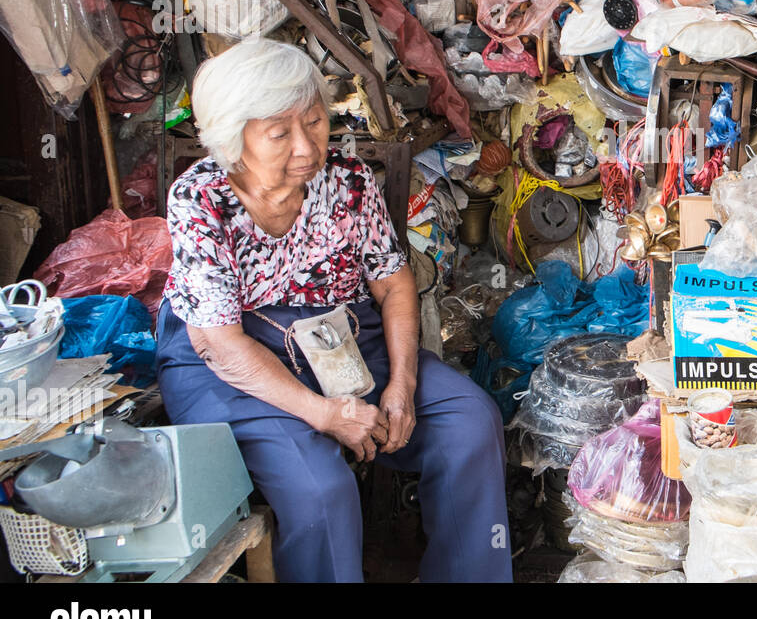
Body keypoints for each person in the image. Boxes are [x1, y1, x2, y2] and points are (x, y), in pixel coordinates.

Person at [154, 38, 511, 582]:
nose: (307, 146)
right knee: (321, 489)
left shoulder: (348, 181)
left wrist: (403, 386)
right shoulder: (201, 200)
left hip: (337, 336)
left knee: (469, 420)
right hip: (231, 362)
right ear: (234, 139)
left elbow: (393, 288)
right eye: (280, 133)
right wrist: (322, 414)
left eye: (316, 121)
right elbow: (219, 343)